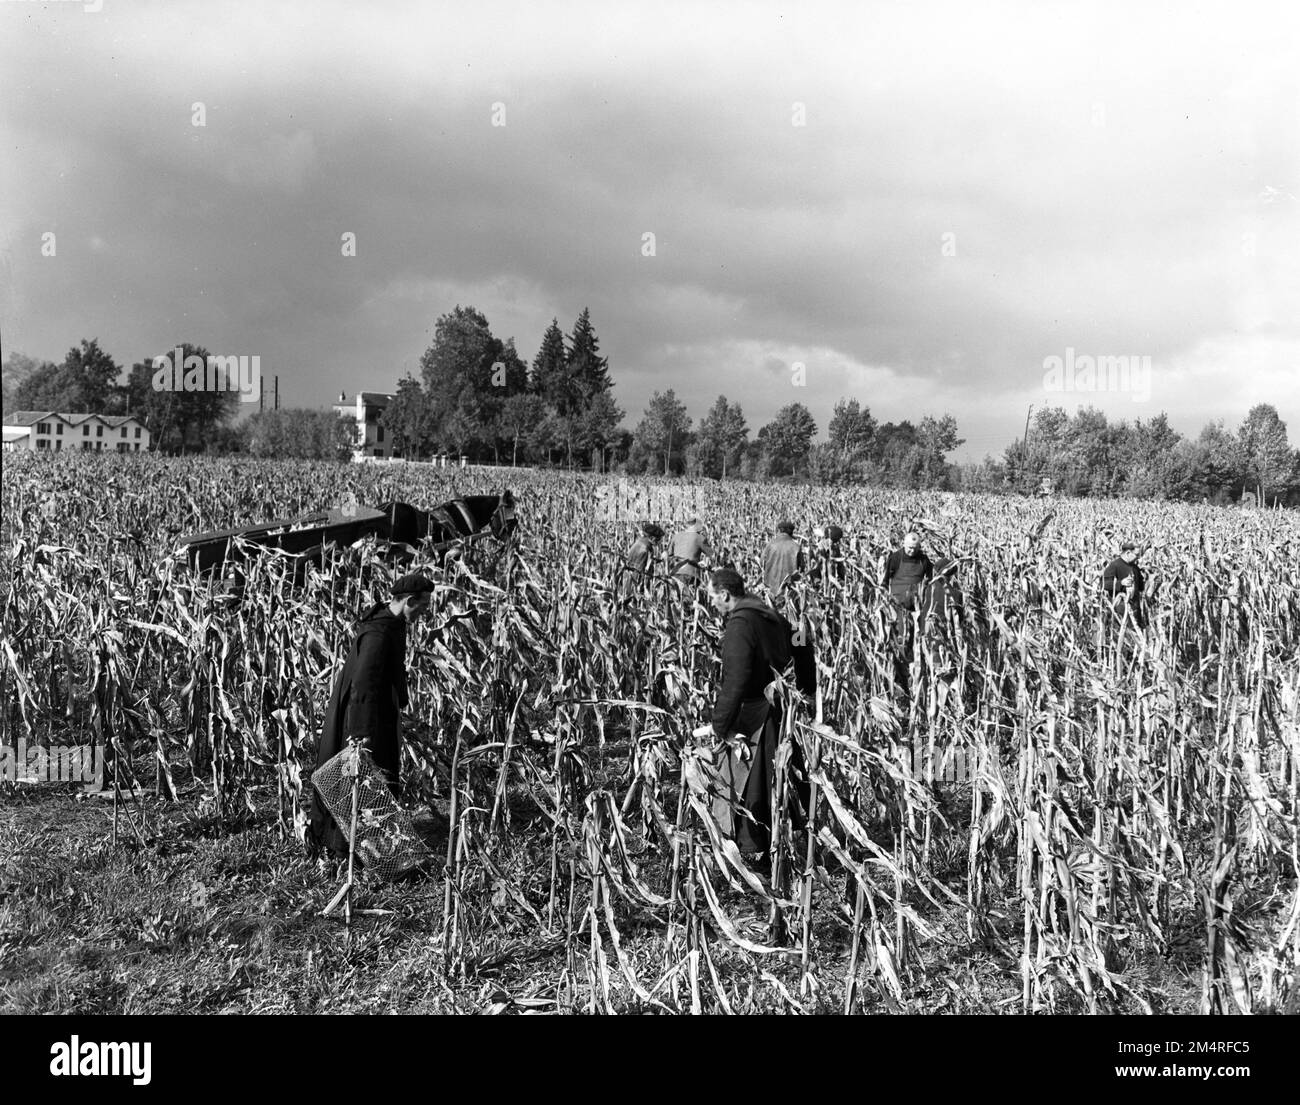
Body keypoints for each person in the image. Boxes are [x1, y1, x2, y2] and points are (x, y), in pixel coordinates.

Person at [307, 573, 435, 858]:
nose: (425, 611)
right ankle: (346, 849)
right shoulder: (378, 634)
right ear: (409, 601)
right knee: (361, 777)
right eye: (423, 605)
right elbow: (363, 684)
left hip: (378, 711)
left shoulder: (393, 624)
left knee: (375, 778)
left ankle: (370, 842)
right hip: (363, 716)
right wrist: (360, 734)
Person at [697, 568, 807, 857]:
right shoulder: (769, 615)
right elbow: (801, 640)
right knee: (775, 778)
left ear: (725, 595)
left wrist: (721, 725)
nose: (711, 603)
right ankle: (778, 844)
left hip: (754, 716)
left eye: (712, 596)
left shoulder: (740, 626)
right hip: (778, 712)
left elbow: (736, 679)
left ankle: (752, 849)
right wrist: (804, 688)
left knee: (750, 784)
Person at [880, 530, 933, 610]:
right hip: (897, 606)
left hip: (917, 606)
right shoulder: (895, 558)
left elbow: (931, 579)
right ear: (904, 544)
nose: (912, 551)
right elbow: (885, 580)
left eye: (915, 548)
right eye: (910, 548)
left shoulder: (923, 560)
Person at [1102, 541, 1147, 629]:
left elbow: (1141, 587)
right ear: (1128, 553)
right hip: (1120, 611)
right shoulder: (1115, 565)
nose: (1138, 558)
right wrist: (1121, 583)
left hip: (1135, 609)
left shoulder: (1135, 568)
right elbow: (1105, 584)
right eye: (1136, 555)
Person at [760, 520, 804, 600]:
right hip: (789, 590)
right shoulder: (796, 547)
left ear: (779, 531)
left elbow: (762, 562)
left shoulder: (770, 545)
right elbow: (802, 568)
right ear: (791, 532)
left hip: (771, 588)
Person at [620, 522, 664, 596]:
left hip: (629, 581)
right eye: (658, 539)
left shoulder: (640, 543)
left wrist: (658, 561)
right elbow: (637, 572)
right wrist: (640, 591)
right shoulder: (644, 550)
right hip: (633, 587)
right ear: (652, 538)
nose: (659, 542)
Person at [669, 517, 712, 583]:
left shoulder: (676, 536)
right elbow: (712, 555)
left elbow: (670, 554)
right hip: (691, 574)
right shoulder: (700, 538)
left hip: (675, 573)